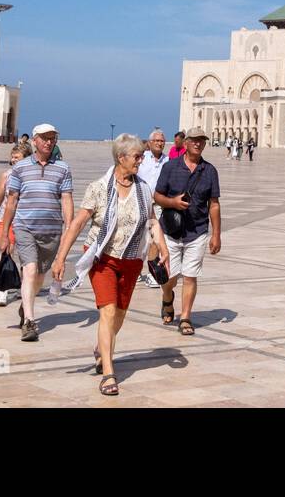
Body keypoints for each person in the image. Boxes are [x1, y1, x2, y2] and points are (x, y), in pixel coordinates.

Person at [52, 134, 168, 397]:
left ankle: (100, 349)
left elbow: (151, 220)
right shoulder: (98, 188)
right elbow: (78, 224)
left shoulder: (143, 188)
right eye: (137, 156)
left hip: (131, 261)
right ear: (121, 158)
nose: (141, 160)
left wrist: (161, 245)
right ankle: (108, 373)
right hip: (102, 258)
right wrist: (60, 258)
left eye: (142, 156)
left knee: (119, 316)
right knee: (108, 310)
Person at [0, 124, 73, 342]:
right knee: (29, 270)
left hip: (51, 231)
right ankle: (30, 322)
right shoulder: (20, 168)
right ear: (34, 140)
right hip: (25, 228)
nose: (49, 142)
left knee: (39, 276)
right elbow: (11, 201)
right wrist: (4, 233)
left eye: (52, 138)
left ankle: (25, 304)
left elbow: (67, 199)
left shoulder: (63, 168)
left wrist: (68, 227)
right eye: (44, 138)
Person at [154, 127, 221, 337]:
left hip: (198, 231)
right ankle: (167, 298)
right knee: (170, 277)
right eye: (194, 140)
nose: (198, 144)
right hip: (172, 231)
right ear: (186, 143)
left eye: (202, 140)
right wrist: (172, 202)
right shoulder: (171, 167)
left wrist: (216, 234)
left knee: (190, 276)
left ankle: (185, 317)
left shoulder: (209, 171)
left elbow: (214, 204)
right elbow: (157, 196)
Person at [0, 142, 30, 306]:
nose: (13, 160)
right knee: (6, 251)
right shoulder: (7, 175)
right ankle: (3, 290)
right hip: (8, 219)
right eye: (12, 157)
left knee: (26, 256)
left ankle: (22, 285)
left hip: (26, 220)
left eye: (17, 157)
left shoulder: (32, 176)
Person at [136, 129, 170, 289]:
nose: (159, 143)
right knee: (138, 240)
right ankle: (135, 271)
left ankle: (152, 272)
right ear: (149, 143)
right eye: (156, 140)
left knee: (155, 240)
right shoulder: (141, 159)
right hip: (140, 203)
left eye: (162, 141)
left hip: (158, 206)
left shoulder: (168, 161)